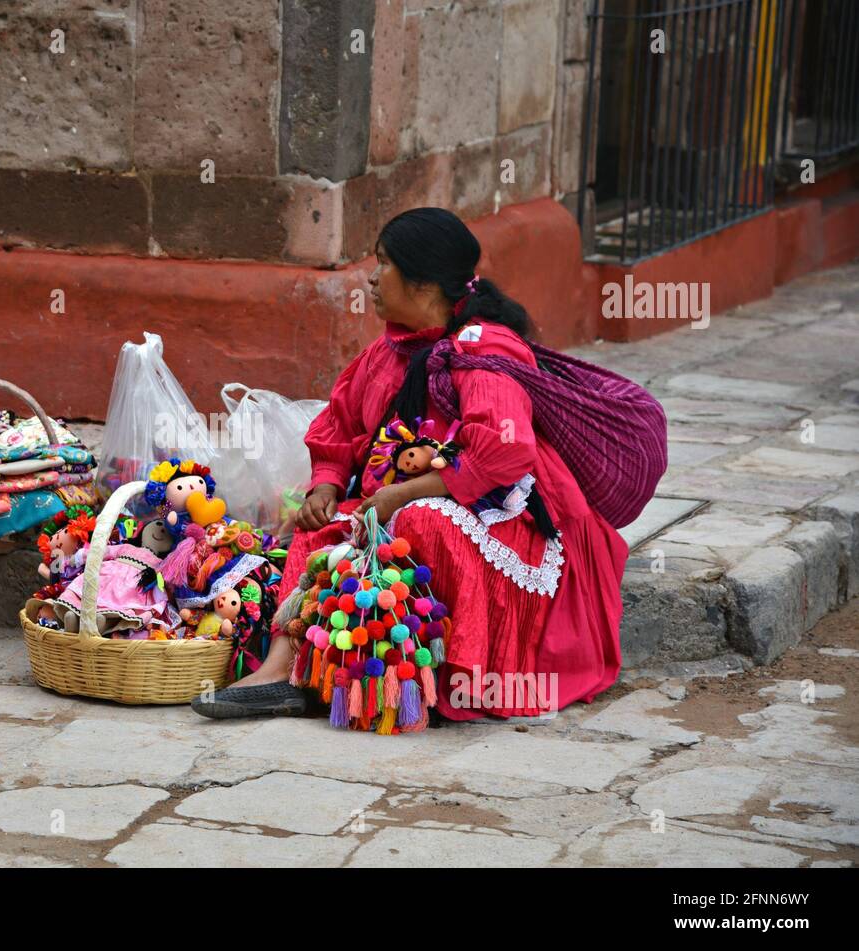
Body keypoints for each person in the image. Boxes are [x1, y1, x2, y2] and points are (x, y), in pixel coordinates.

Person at [192, 208, 629, 720]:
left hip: (498, 514)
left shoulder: (484, 351)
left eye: (383, 264)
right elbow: (341, 426)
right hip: (396, 501)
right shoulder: (389, 352)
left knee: (423, 521)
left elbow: (504, 451)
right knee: (321, 530)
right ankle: (286, 673)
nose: (372, 279)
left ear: (422, 282)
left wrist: (406, 491)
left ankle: (439, 678)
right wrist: (327, 486)